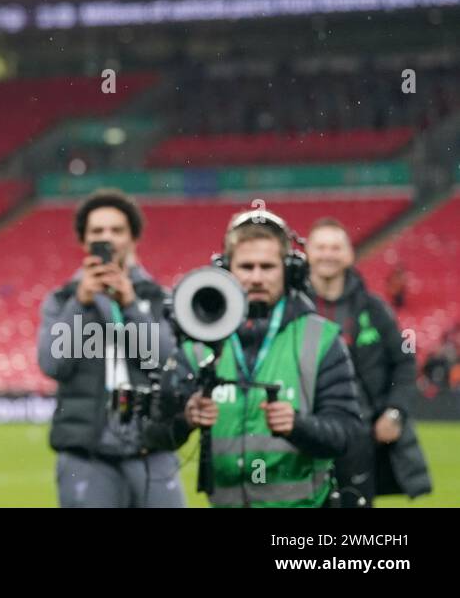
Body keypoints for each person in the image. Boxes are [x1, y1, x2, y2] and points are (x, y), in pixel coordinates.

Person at [174, 209, 362, 507]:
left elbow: (348, 435)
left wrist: (298, 426)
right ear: (227, 271)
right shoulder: (198, 342)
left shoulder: (322, 338)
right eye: (246, 267)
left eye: (268, 266)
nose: (257, 277)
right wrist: (186, 417)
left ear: (289, 271)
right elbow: (157, 434)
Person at [37, 188, 184, 507]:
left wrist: (131, 304)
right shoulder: (63, 299)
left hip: (151, 448)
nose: (108, 238)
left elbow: (166, 363)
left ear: (133, 238)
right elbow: (52, 364)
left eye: (117, 230)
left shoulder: (159, 298)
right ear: (84, 241)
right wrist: (81, 303)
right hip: (87, 454)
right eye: (98, 231)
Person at [306, 218, 431, 504]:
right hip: (304, 436)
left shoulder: (374, 309)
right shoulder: (290, 308)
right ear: (307, 253)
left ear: (349, 254)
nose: (328, 254)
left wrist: (394, 412)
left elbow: (404, 363)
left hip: (361, 439)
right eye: (321, 247)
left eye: (335, 247)